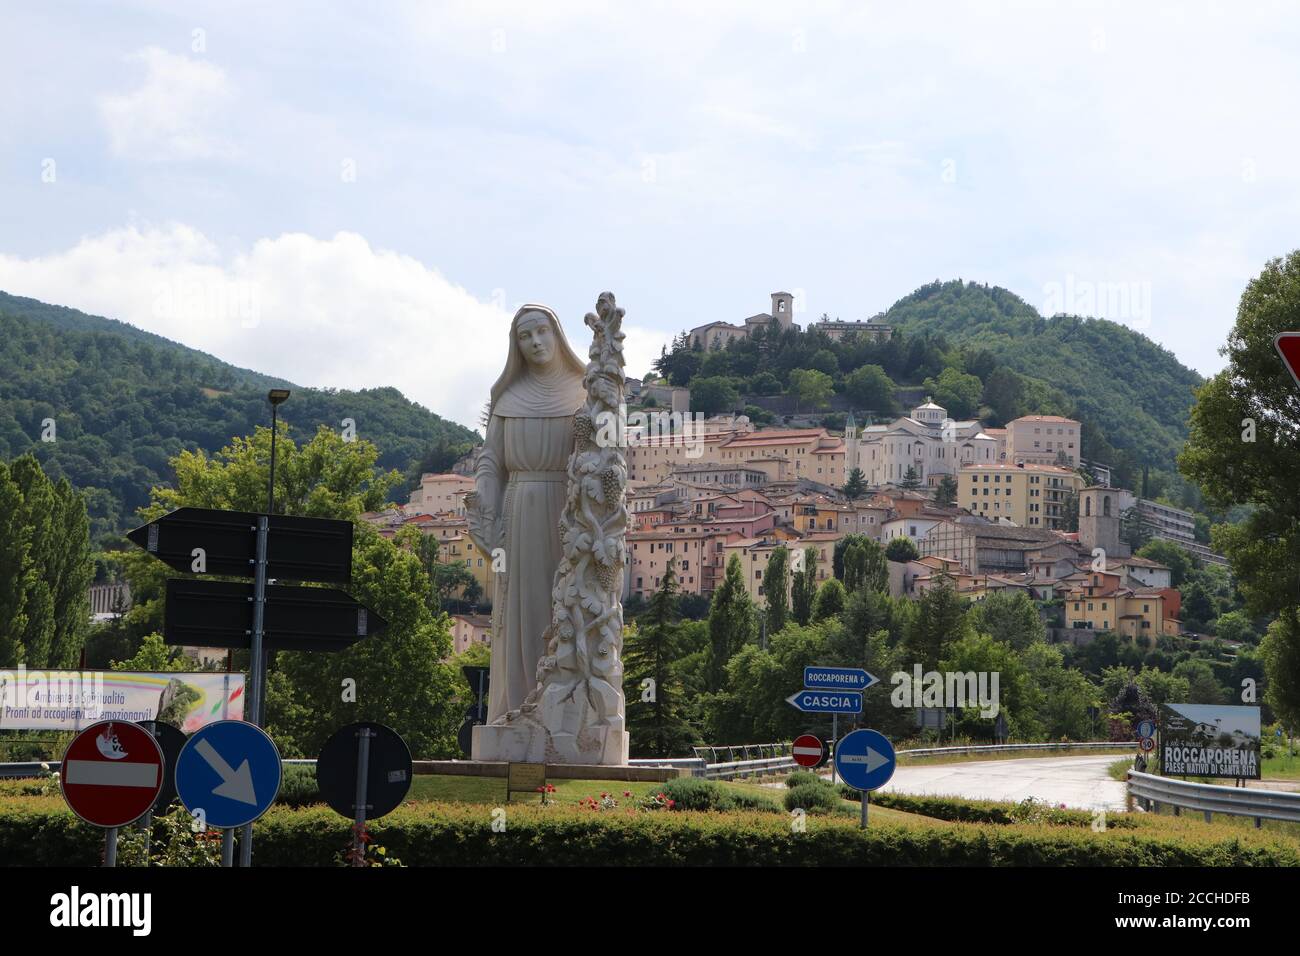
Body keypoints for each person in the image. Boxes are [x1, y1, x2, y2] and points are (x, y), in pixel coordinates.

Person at [465, 305, 586, 726]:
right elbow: (490, 461)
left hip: (566, 516)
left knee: (563, 607)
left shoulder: (586, 393)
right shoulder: (507, 397)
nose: (535, 342)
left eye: (542, 332)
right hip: (516, 513)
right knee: (517, 612)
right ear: (515, 345)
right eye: (524, 336)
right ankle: (516, 707)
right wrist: (483, 495)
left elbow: (603, 458)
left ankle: (564, 708)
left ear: (558, 335)